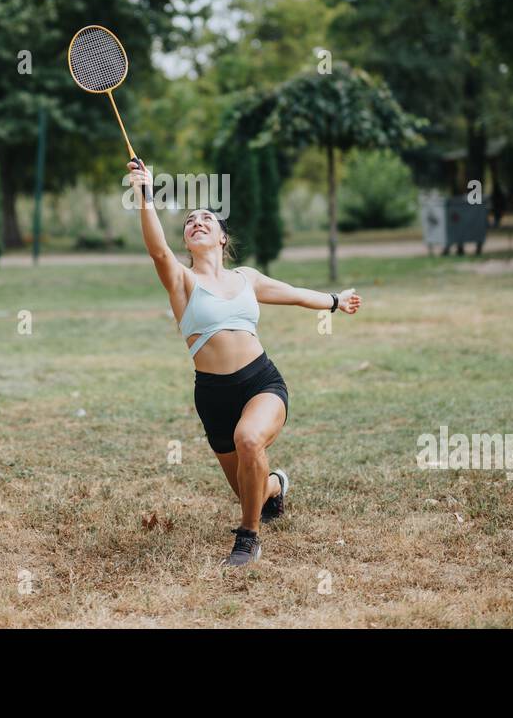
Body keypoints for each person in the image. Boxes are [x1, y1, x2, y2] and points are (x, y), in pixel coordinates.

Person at [128, 160, 361, 566]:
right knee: (250, 487)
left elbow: (293, 293)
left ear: (222, 238)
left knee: (250, 441)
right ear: (187, 240)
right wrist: (144, 194)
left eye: (206, 219)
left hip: (261, 383)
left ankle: (247, 539)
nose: (197, 222)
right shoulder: (181, 281)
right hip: (213, 396)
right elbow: (156, 248)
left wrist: (335, 301)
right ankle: (276, 486)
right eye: (189, 221)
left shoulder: (246, 278)